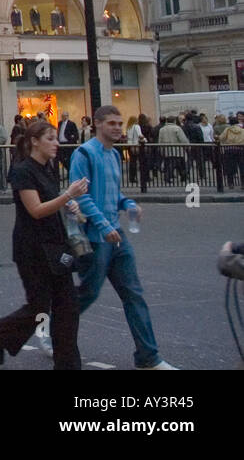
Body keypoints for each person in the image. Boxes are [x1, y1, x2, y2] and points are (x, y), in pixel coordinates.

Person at [70, 104, 176, 370]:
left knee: (133, 294)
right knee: (87, 293)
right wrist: (104, 226)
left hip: (116, 235)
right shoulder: (84, 153)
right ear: (97, 124)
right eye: (112, 123)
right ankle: (52, 328)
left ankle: (148, 357)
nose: (117, 128)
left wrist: (128, 204)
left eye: (119, 123)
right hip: (96, 238)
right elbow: (81, 197)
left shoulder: (116, 155)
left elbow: (113, 193)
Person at [0, 119, 89, 369]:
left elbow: (52, 201)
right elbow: (36, 210)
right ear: (34, 141)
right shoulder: (22, 171)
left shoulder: (48, 168)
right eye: (50, 139)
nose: (56, 143)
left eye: (55, 138)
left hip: (56, 245)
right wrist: (68, 195)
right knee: (39, 309)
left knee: (68, 308)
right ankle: (0, 333)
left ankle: (68, 365)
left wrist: (69, 205)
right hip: (32, 250)